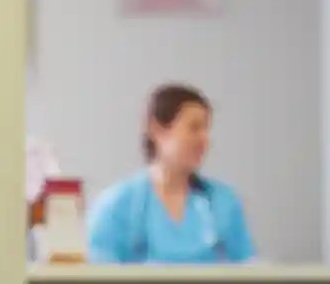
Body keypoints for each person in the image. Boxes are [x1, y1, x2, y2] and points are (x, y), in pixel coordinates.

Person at [87, 84, 255, 264]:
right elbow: (101, 279)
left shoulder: (224, 202)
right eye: (194, 128)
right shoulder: (119, 205)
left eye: (207, 129)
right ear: (157, 130)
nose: (205, 139)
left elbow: (248, 273)